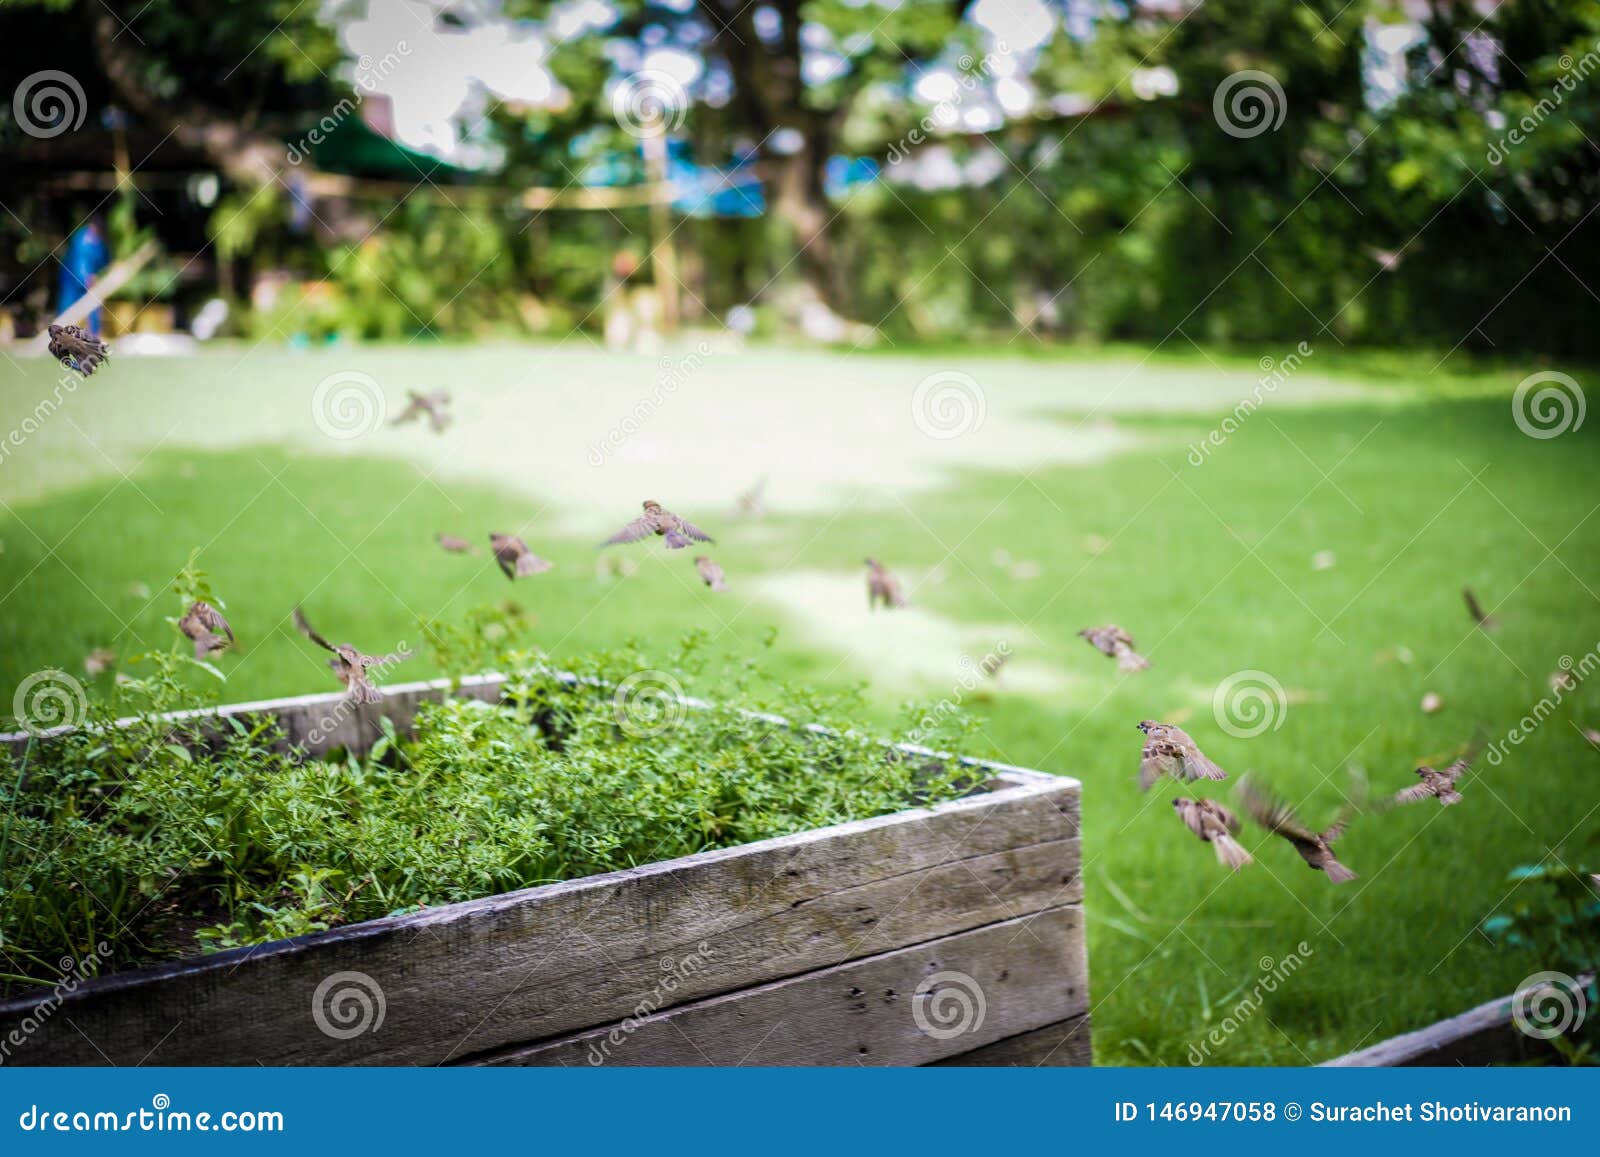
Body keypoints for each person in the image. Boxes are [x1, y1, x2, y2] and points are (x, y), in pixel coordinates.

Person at [58, 215, 109, 336]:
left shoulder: (98, 241)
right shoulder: (82, 239)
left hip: (88, 279)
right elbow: (80, 262)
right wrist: (86, 278)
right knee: (68, 307)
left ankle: (94, 334)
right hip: (72, 279)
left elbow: (103, 260)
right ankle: (62, 333)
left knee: (93, 305)